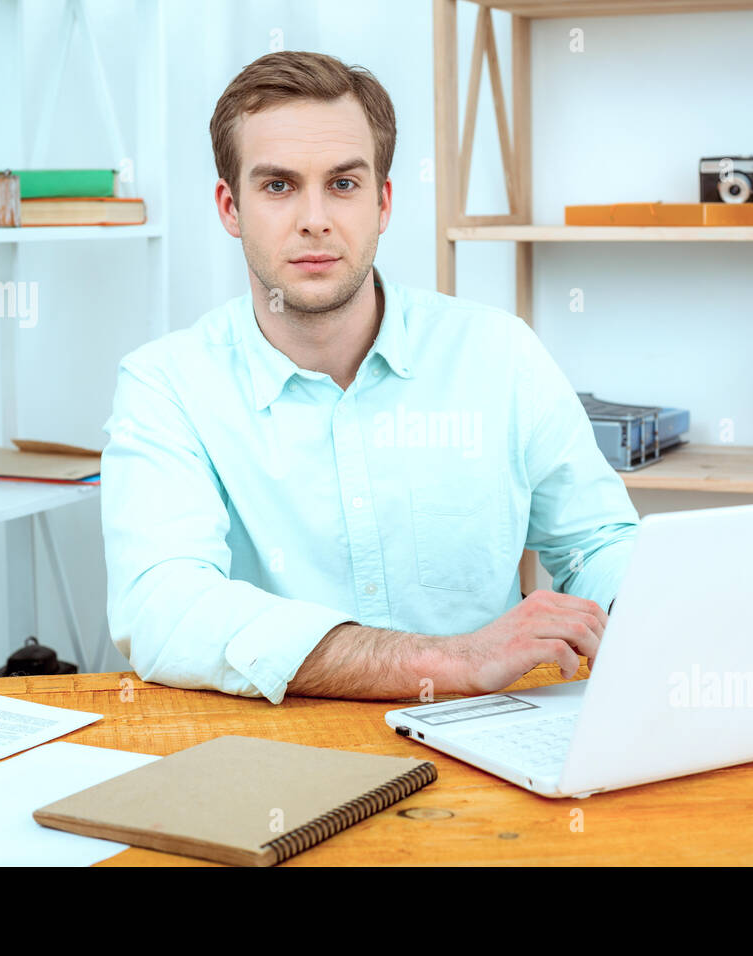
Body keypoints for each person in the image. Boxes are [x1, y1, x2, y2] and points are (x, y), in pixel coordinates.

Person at [101, 50, 639, 704]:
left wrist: (654, 609)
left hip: (497, 749)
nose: (315, 219)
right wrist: (442, 662)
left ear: (383, 202)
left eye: (344, 184)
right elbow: (164, 607)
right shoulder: (167, 386)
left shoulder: (500, 355)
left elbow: (599, 546)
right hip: (272, 762)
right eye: (277, 186)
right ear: (229, 207)